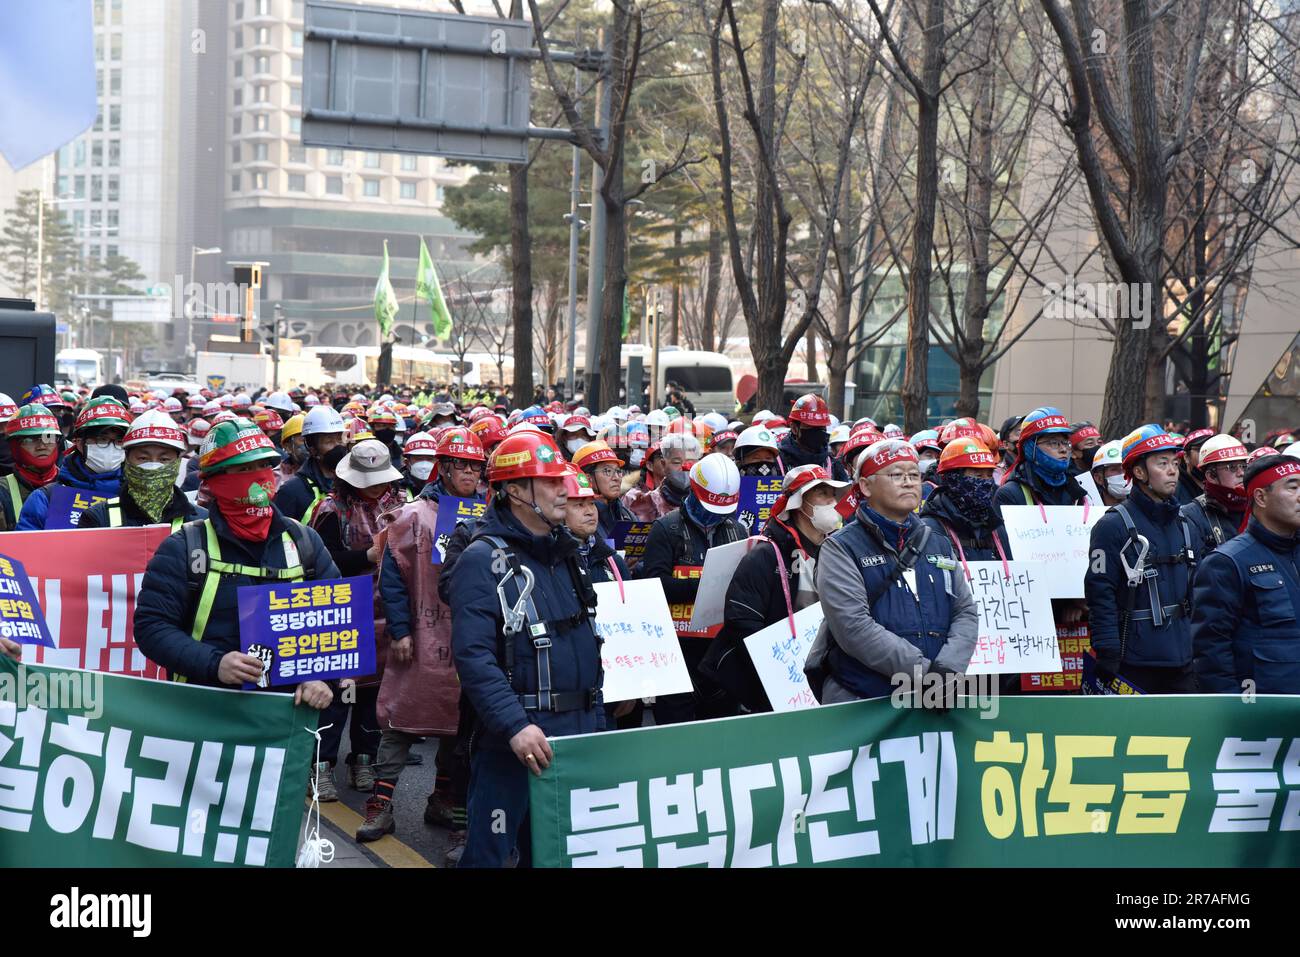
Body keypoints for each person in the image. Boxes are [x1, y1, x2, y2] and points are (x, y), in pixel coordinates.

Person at [450, 430, 604, 867]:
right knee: (491, 857)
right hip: (516, 741)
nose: (565, 488)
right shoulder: (482, 560)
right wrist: (515, 726)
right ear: (515, 491)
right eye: (551, 481)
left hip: (577, 737)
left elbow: (586, 640)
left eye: (563, 478)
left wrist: (596, 721)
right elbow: (473, 658)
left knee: (564, 856)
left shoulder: (567, 552)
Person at [133, 418, 336, 710]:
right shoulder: (184, 547)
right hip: (205, 712)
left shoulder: (304, 542)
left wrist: (322, 678)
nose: (258, 477)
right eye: (243, 469)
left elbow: (334, 622)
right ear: (215, 480)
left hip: (287, 716)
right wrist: (215, 663)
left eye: (263, 466)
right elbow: (152, 627)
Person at [803, 439, 978, 702]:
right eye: (896, 475)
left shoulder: (938, 541)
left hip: (935, 694)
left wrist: (948, 671)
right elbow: (853, 627)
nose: (908, 482)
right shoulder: (841, 547)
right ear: (865, 485)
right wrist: (926, 674)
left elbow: (965, 611)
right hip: (863, 698)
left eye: (914, 475)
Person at [705, 464, 850, 713]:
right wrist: (776, 674)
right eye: (822, 494)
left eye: (833, 494)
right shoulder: (766, 554)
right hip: (764, 685)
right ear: (798, 504)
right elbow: (742, 622)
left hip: (810, 676)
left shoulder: (836, 551)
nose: (832, 501)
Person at [310, 439, 407, 801]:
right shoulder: (331, 509)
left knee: (376, 693)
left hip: (388, 610)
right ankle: (320, 765)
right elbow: (321, 560)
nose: (377, 487)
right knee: (337, 692)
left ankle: (363, 759)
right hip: (341, 611)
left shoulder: (399, 505)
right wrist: (366, 555)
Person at [635, 452, 748, 723]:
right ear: (694, 492)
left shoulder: (736, 530)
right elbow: (654, 586)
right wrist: (705, 585)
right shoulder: (666, 529)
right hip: (677, 655)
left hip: (721, 656)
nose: (713, 516)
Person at [1085, 426, 1198, 693]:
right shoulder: (1112, 526)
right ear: (1139, 472)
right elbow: (1100, 592)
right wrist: (1108, 651)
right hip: (1134, 660)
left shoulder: (1186, 523)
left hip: (1185, 658)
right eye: (1162, 463)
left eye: (1175, 462)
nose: (1173, 470)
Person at [1192, 455, 1300, 692]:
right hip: (1262, 714)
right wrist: (1235, 710)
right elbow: (1211, 651)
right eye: (1293, 487)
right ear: (1260, 497)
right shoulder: (1227, 562)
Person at [18, 396, 131, 530]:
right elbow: (24, 548)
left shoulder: (136, 498)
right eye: (102, 439)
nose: (111, 448)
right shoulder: (45, 499)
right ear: (78, 442)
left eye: (118, 441)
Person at [80, 410, 205, 530]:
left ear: (177, 462)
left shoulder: (202, 520)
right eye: (143, 458)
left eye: (164, 459)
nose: (153, 466)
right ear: (127, 460)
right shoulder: (97, 518)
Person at [918, 437, 1007, 568]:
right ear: (954, 479)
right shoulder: (931, 529)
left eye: (989, 475)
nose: (987, 482)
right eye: (978, 476)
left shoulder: (996, 528)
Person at [993, 407, 1087, 513]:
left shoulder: (1080, 491)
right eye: (1053, 443)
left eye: (1066, 443)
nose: (1063, 449)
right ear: (1030, 447)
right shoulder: (1010, 494)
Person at [274, 404, 346, 523]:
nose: (337, 446)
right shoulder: (292, 491)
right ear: (312, 448)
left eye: (340, 439)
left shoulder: (354, 482)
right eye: (329, 441)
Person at [1180, 434, 1249, 557]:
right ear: (1211, 476)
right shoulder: (1191, 516)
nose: (1241, 473)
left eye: (1244, 466)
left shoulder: (1257, 508)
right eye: (1232, 467)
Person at [0, 403, 62, 532]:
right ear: (14, 447)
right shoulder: (2, 492)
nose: (42, 446)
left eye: (48, 438)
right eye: (30, 440)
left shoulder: (74, 483)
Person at [572, 440, 633, 541]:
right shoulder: (580, 519)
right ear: (587, 478)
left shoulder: (626, 515)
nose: (617, 478)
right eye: (607, 471)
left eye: (618, 471)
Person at [778, 394, 848, 481]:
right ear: (794, 428)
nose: (818, 433)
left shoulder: (833, 466)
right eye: (811, 428)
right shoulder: (777, 462)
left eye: (822, 428)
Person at [1175, 428, 1216, 507]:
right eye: (1201, 450)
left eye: (1212, 450)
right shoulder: (1175, 490)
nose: (1206, 455)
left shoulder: (1221, 486)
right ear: (1186, 457)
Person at [1089, 440, 1130, 507]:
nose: (1123, 474)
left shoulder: (1145, 507)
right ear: (1099, 478)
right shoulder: (1087, 509)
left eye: (1126, 468)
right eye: (1114, 469)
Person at [400, 430, 439, 499]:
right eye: (419, 458)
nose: (424, 465)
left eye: (430, 459)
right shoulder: (397, 488)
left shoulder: (446, 488)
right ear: (407, 462)